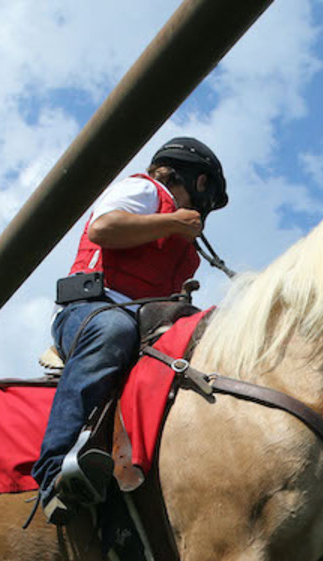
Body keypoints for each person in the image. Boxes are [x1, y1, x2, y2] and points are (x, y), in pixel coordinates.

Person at [33, 137, 228, 523]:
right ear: (200, 183)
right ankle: (55, 474)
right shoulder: (144, 189)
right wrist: (173, 220)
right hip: (92, 311)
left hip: (143, 321)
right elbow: (104, 229)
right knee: (113, 331)